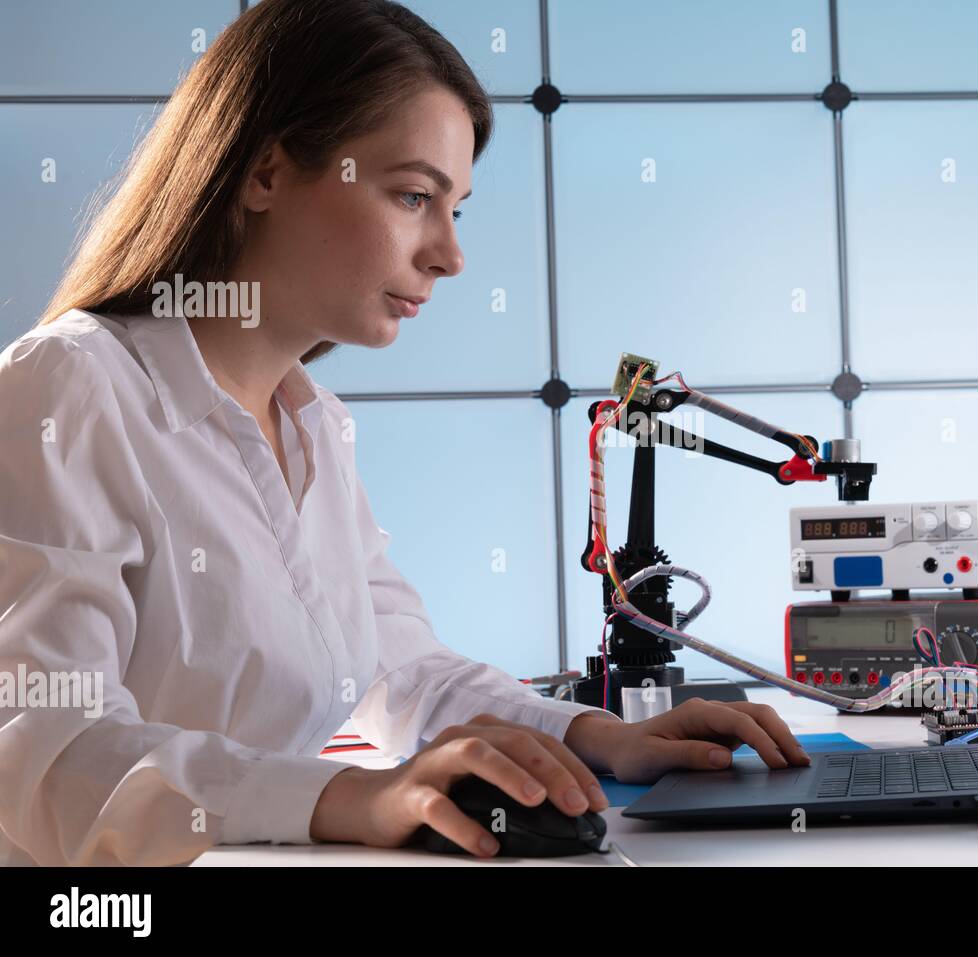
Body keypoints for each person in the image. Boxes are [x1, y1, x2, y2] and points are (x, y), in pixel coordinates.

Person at [0, 0, 808, 866]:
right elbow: (45, 745)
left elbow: (399, 670)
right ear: (265, 172)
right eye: (414, 195)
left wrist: (599, 734)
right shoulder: (72, 385)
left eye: (455, 207)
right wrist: (353, 796)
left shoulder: (312, 425)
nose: (449, 255)